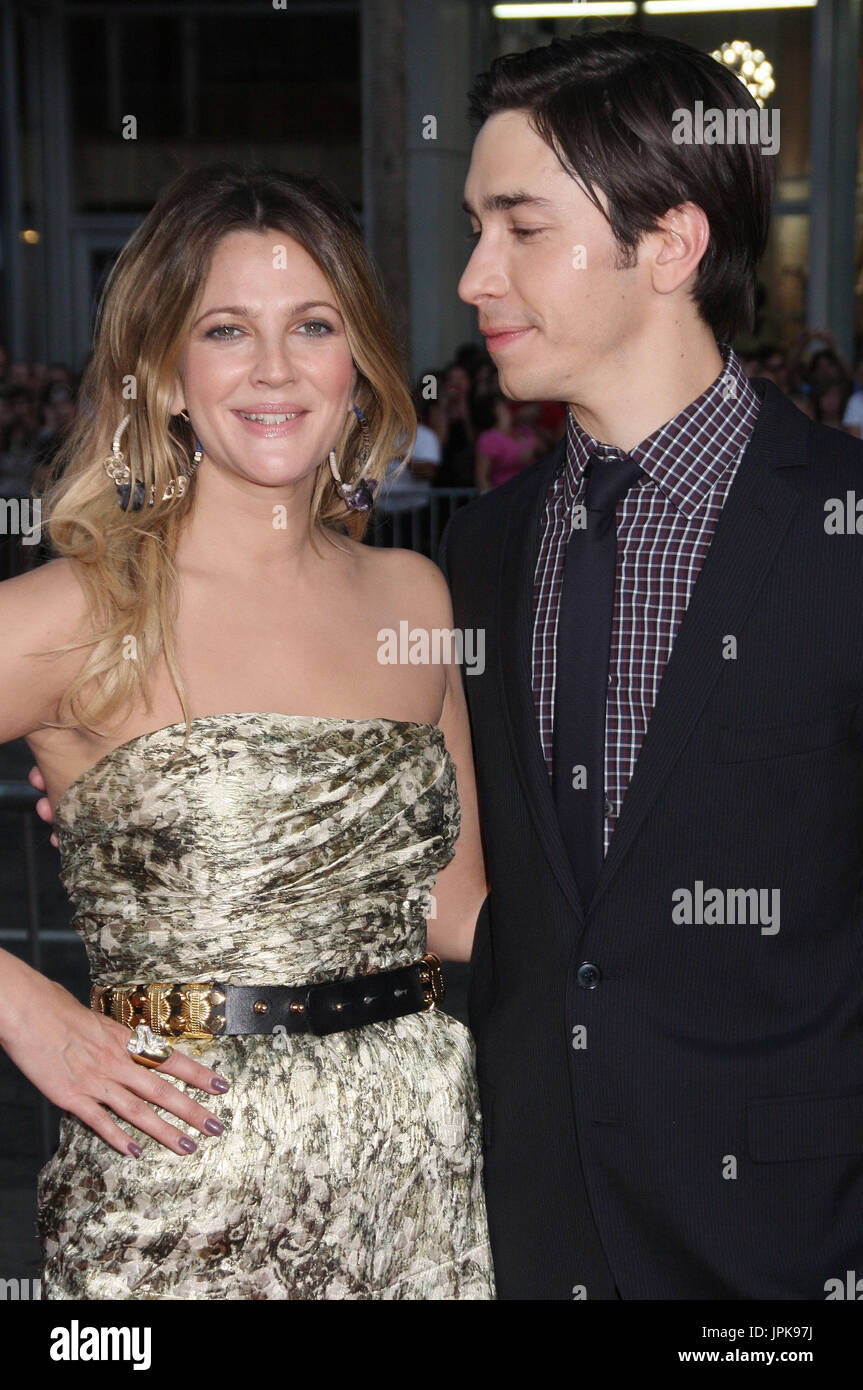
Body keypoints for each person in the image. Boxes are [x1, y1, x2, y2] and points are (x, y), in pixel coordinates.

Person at [3, 160, 495, 1299]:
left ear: (358, 364)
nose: (274, 369)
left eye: (311, 326)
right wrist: (23, 1005)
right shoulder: (82, 611)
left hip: (411, 1176)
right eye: (226, 330)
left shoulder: (415, 596)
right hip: (182, 1187)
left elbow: (455, 907)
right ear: (165, 374)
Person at [438, 30, 863, 1298]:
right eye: (474, 226)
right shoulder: (477, 548)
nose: (472, 276)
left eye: (519, 228)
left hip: (784, 1254)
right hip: (525, 1237)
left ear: (668, 246)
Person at [474, 392, 539, 491]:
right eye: (502, 404)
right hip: (506, 499)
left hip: (533, 496)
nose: (508, 406)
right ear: (493, 410)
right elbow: (482, 478)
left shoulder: (525, 430)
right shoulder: (489, 438)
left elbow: (548, 445)